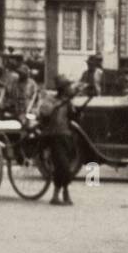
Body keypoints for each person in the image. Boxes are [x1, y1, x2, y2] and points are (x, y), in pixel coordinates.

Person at [40, 75, 82, 206]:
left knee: (65, 167)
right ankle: (57, 195)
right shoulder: (50, 100)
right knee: (62, 166)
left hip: (66, 136)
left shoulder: (68, 102)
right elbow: (44, 113)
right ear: (62, 89)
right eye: (68, 87)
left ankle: (63, 193)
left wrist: (78, 112)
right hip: (54, 136)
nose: (70, 89)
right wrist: (59, 104)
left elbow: (72, 117)